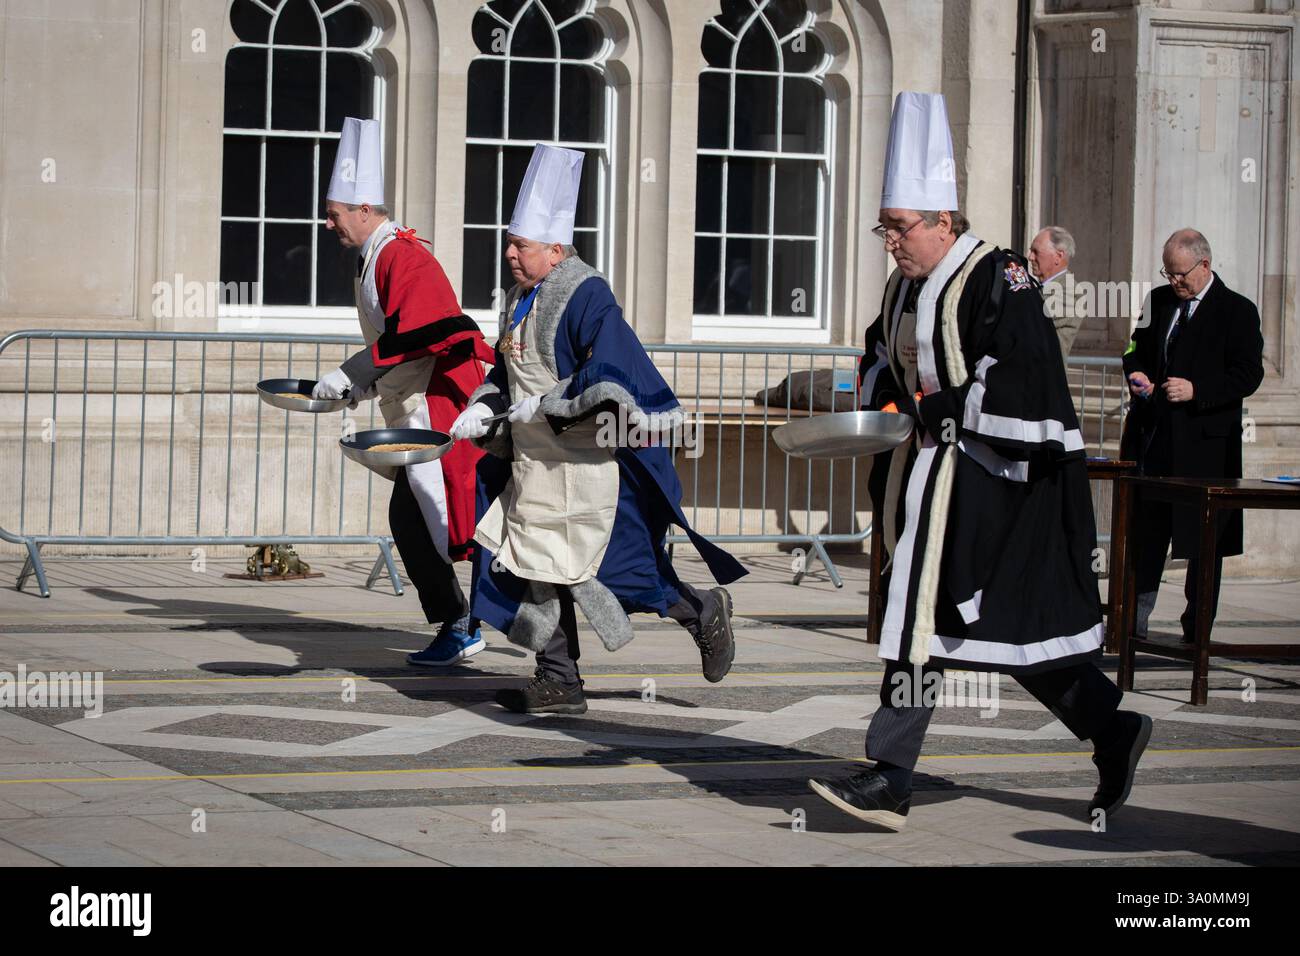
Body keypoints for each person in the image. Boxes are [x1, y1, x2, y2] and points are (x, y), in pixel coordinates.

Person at [806, 93, 1151, 831]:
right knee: (946, 626)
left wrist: (933, 410)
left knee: (975, 624)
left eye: (899, 228)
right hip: (930, 480)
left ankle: (892, 774)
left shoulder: (1001, 277)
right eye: (884, 228)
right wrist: (873, 401)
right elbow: (879, 355)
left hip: (998, 480)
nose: (890, 243)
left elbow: (1024, 374)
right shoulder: (906, 284)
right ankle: (1105, 728)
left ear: (942, 222)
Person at [450, 144, 747, 715]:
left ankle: (702, 610)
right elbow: (506, 369)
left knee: (622, 571)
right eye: (509, 243)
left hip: (592, 468)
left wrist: (544, 406)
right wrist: (484, 405)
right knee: (532, 569)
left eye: (522, 245)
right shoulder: (518, 298)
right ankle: (558, 680)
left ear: (556, 249)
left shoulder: (587, 293)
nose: (510, 254)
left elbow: (611, 373)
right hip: (534, 467)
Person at [313, 117, 496, 667]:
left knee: (465, 523)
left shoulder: (402, 256)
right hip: (419, 410)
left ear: (365, 210)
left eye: (336, 213)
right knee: (424, 521)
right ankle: (468, 623)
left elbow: (428, 333)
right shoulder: (377, 258)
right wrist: (359, 386)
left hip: (443, 412)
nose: (329, 224)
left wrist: (352, 372)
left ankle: (490, 628)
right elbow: (401, 345)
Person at [1120, 229, 1264, 642]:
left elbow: (1248, 373)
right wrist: (1136, 374)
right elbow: (1133, 348)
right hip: (1155, 440)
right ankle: (1133, 621)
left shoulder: (1237, 310)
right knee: (1147, 535)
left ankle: (1197, 627)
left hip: (1204, 448)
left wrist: (1197, 390)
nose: (1174, 282)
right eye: (1168, 273)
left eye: (1181, 274)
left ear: (1204, 265)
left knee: (1204, 543)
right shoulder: (1158, 301)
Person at [1028, 225, 1084, 363]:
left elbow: (1029, 319)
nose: (1030, 257)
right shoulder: (1035, 287)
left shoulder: (1071, 291)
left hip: (1043, 378)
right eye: (1031, 251)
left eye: (1036, 252)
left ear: (1058, 256)